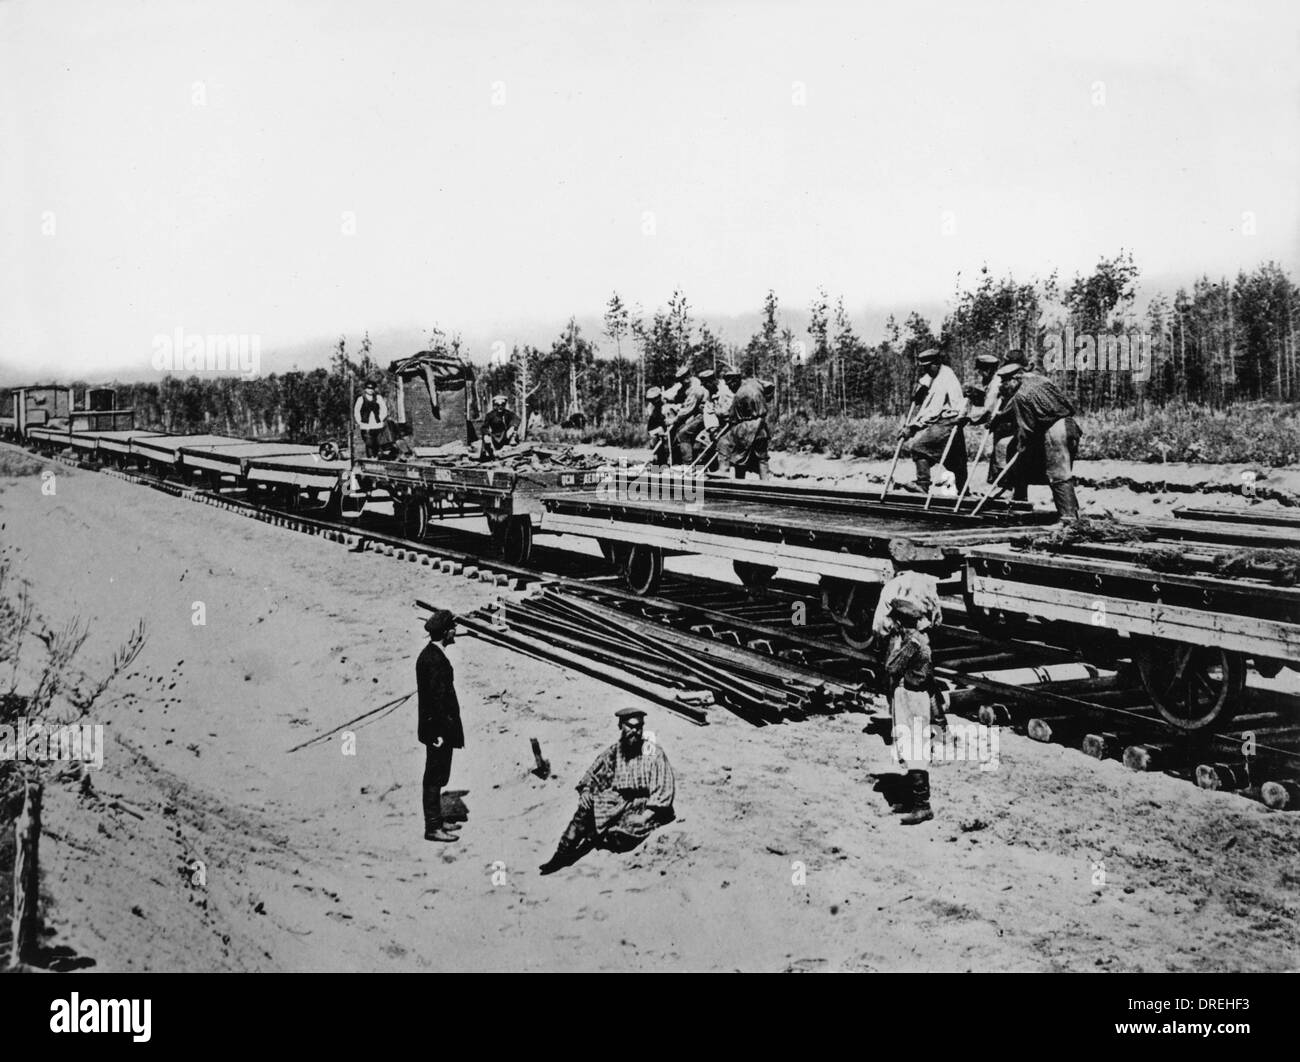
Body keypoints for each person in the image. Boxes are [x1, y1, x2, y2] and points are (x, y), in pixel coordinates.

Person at [538, 707, 676, 874]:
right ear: (621, 726)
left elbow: (663, 790)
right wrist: (587, 792)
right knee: (585, 810)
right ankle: (561, 856)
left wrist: (645, 816)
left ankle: (602, 835)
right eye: (630, 726)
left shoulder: (653, 752)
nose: (635, 731)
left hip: (644, 805)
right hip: (617, 801)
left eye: (639, 727)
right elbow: (594, 776)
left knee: (624, 833)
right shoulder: (615, 751)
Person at [991, 362, 1083, 521]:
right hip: (1070, 427)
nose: (1003, 386)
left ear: (1014, 379)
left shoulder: (1021, 396)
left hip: (1055, 432)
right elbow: (1069, 406)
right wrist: (999, 418)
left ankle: (1069, 519)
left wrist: (1022, 443)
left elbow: (1027, 429)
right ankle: (1071, 513)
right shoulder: (1042, 381)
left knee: (1059, 475)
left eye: (1005, 382)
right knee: (1062, 472)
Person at [884, 598, 935, 825]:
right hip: (908, 696)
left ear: (901, 623)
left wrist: (896, 644)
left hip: (912, 699)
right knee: (907, 745)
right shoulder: (914, 639)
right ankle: (911, 800)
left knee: (914, 747)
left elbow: (891, 667)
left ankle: (922, 806)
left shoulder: (914, 643)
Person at [417, 609, 464, 843]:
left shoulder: (433, 655)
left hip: (440, 729)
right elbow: (434, 702)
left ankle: (438, 820)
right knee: (434, 777)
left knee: (439, 774)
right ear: (446, 633)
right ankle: (433, 827)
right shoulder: (433, 660)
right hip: (437, 731)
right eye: (453, 627)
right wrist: (436, 733)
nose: (456, 631)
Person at [901, 348, 968, 494]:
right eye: (924, 367)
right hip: (952, 421)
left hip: (949, 421)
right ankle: (965, 493)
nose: (926, 370)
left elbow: (933, 411)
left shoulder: (944, 378)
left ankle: (922, 484)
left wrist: (913, 427)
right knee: (955, 462)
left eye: (928, 366)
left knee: (919, 448)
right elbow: (926, 382)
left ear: (937, 363)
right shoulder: (938, 373)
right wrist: (920, 389)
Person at [716, 374, 770, 480]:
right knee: (762, 458)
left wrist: (719, 413)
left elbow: (732, 416)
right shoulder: (754, 383)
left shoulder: (739, 395)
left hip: (747, 428)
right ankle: (766, 482)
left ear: (736, 380)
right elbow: (770, 386)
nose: (729, 387)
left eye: (730, 384)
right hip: (762, 428)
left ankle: (724, 470)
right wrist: (766, 397)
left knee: (724, 443)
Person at [668, 365, 707, 464]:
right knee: (676, 431)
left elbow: (687, 409)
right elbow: (675, 396)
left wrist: (674, 420)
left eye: (685, 378)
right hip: (694, 414)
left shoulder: (696, 388)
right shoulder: (685, 386)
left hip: (704, 415)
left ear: (689, 376)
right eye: (681, 379)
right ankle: (674, 461)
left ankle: (687, 464)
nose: (683, 381)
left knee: (683, 433)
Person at [354, 382, 389, 459]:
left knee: (377, 441)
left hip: (377, 423)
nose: (370, 390)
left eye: (372, 389)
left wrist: (381, 418)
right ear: (365, 389)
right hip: (366, 424)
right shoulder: (361, 398)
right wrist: (359, 421)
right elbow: (357, 411)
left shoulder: (378, 397)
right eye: (368, 388)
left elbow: (384, 408)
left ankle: (378, 457)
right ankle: (370, 457)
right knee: (369, 441)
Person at [479, 395, 520, 460]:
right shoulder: (490, 415)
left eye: (502, 405)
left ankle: (513, 452)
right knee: (486, 440)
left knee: (514, 432)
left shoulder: (508, 413)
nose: (500, 407)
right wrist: (486, 434)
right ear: (495, 405)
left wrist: (512, 427)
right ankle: (489, 456)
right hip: (494, 437)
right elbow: (484, 427)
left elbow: (516, 419)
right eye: (498, 405)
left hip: (505, 436)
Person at [645, 386, 670, 465]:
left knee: (667, 446)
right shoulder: (651, 407)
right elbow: (651, 424)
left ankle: (666, 464)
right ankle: (657, 465)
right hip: (657, 429)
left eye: (654, 399)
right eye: (651, 400)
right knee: (655, 445)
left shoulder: (667, 403)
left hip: (667, 428)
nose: (653, 402)